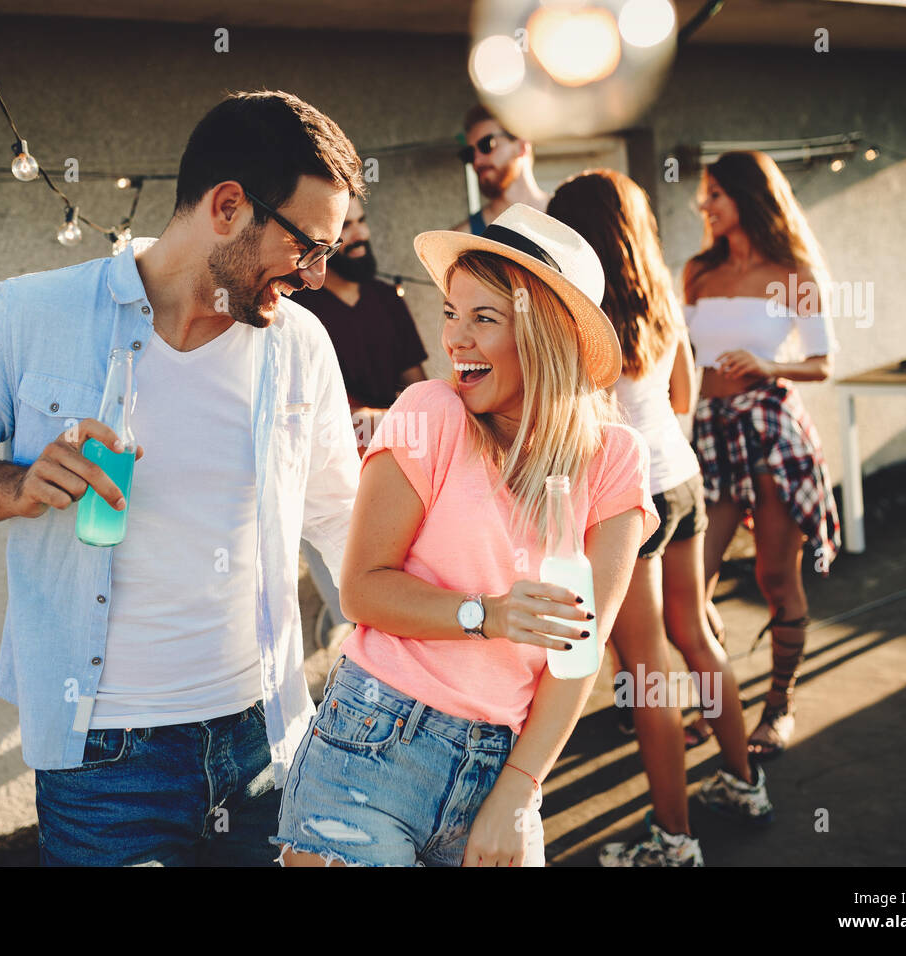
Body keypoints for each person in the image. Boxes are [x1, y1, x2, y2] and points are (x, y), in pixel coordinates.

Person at [0, 90, 364, 865]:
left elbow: (341, 521)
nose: (314, 274)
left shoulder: (300, 345)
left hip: (264, 748)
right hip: (104, 765)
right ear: (230, 205)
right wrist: (17, 485)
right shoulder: (35, 313)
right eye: (308, 246)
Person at [272, 204, 660, 867]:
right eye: (452, 313)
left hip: (502, 760)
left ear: (550, 335)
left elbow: (578, 650)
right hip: (373, 741)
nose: (454, 340)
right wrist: (491, 616)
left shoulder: (614, 457)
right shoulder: (431, 412)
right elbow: (362, 590)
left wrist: (521, 787)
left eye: (485, 318)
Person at [548, 169, 773, 866]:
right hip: (680, 480)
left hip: (627, 502)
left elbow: (567, 422)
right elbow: (683, 402)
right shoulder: (664, 303)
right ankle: (744, 784)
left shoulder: (579, 316)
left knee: (643, 668)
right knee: (698, 638)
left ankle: (675, 842)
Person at [683, 150, 841, 760]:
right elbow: (688, 364)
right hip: (713, 433)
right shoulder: (698, 271)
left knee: (777, 576)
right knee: (691, 586)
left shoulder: (792, 270)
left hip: (773, 430)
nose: (706, 205)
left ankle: (778, 706)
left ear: (749, 196)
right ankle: (717, 704)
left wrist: (768, 363)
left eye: (716, 193)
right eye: (705, 193)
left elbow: (823, 363)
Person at [291, 195, 428, 645]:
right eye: (346, 227)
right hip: (329, 479)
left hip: (397, 474)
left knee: (397, 593)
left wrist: (385, 419)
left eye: (362, 222)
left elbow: (420, 395)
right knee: (351, 601)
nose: (360, 235)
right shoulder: (301, 315)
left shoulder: (388, 299)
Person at [451, 104, 549, 235]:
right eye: (470, 153)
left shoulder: (570, 215)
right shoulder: (464, 238)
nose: (477, 161)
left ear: (521, 146)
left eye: (487, 145)